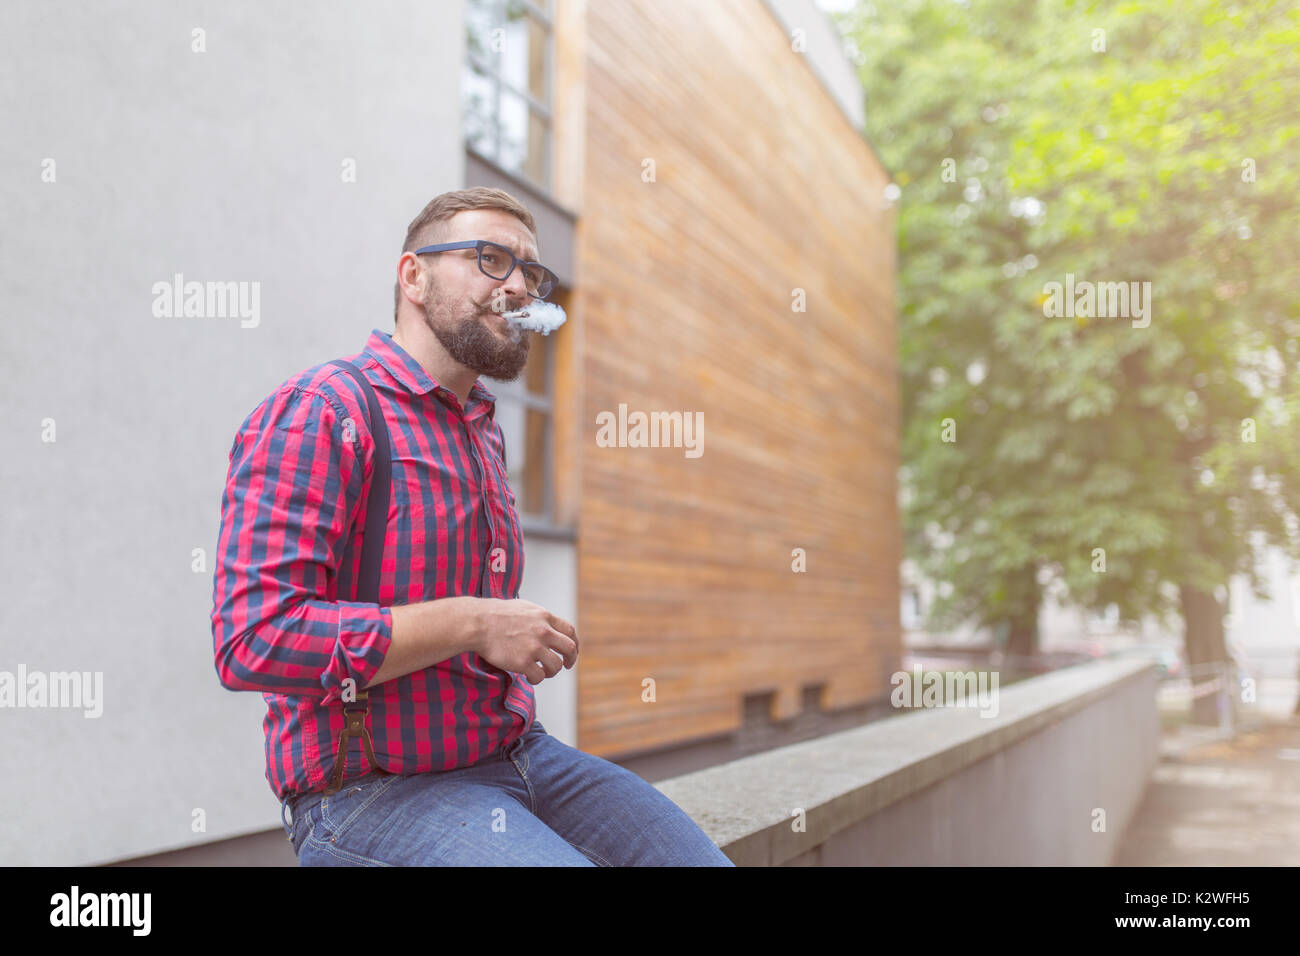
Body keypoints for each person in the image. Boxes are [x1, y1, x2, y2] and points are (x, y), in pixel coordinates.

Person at [210, 186, 734, 866]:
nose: (518, 287)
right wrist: (475, 622)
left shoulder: (479, 426)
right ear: (413, 276)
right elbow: (254, 639)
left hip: (520, 760)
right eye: (490, 259)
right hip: (371, 794)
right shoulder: (323, 409)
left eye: (530, 272)